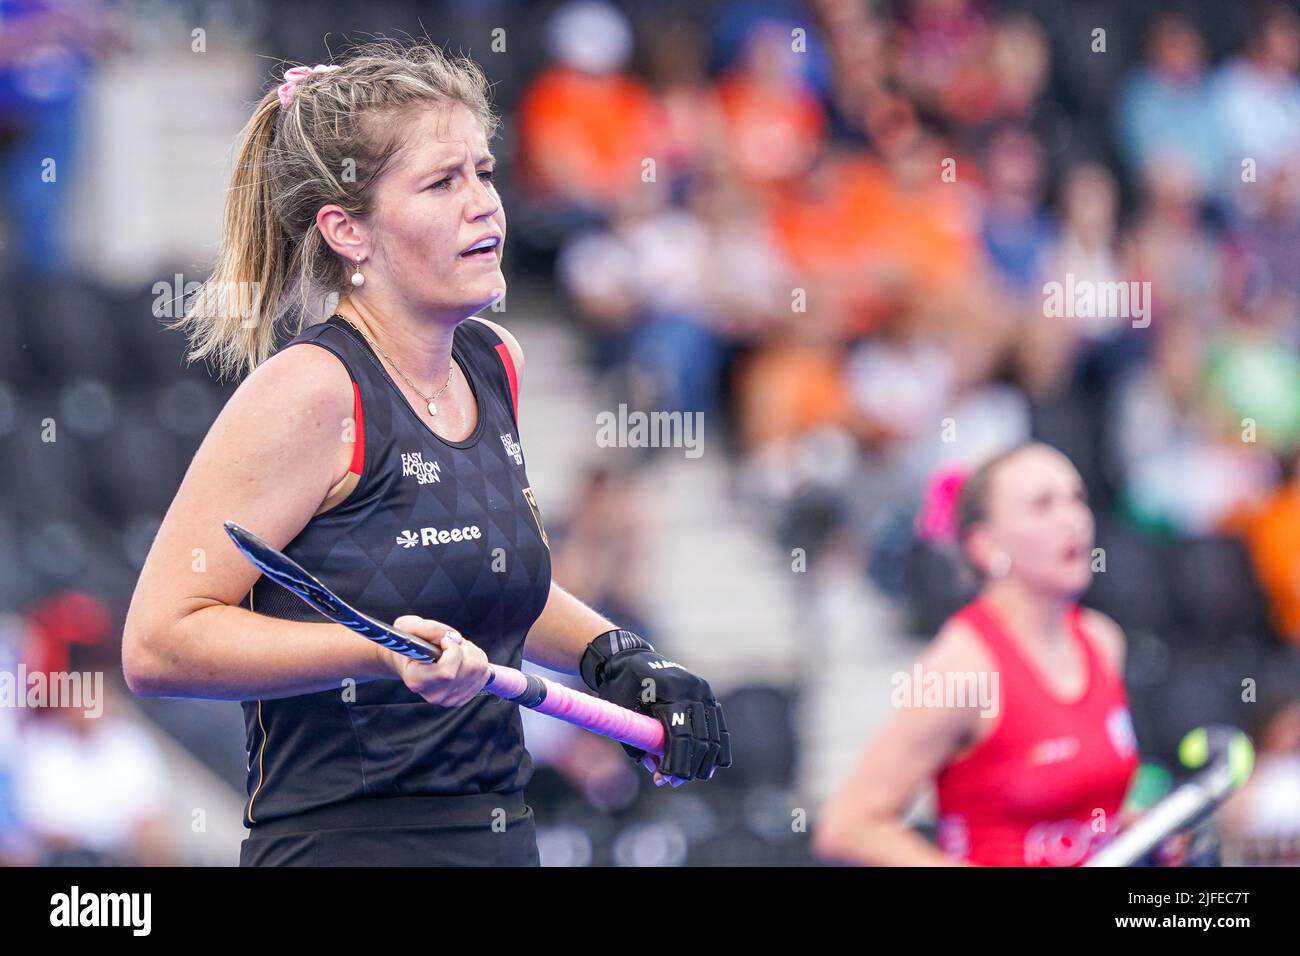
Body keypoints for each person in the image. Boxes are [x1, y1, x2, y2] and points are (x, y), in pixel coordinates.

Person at [121, 40, 729, 867]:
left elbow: (488, 576)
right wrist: (377, 652)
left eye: (483, 171)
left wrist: (615, 654)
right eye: (443, 183)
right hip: (345, 846)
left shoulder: (492, 361)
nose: (486, 204)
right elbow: (157, 644)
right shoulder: (311, 392)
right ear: (348, 232)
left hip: (500, 835)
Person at [814, 443, 1138, 865]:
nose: (1074, 520)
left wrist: (1141, 833)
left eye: (1078, 499)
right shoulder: (963, 667)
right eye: (1043, 505)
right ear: (986, 546)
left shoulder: (1103, 641)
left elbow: (1081, 814)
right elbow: (847, 825)